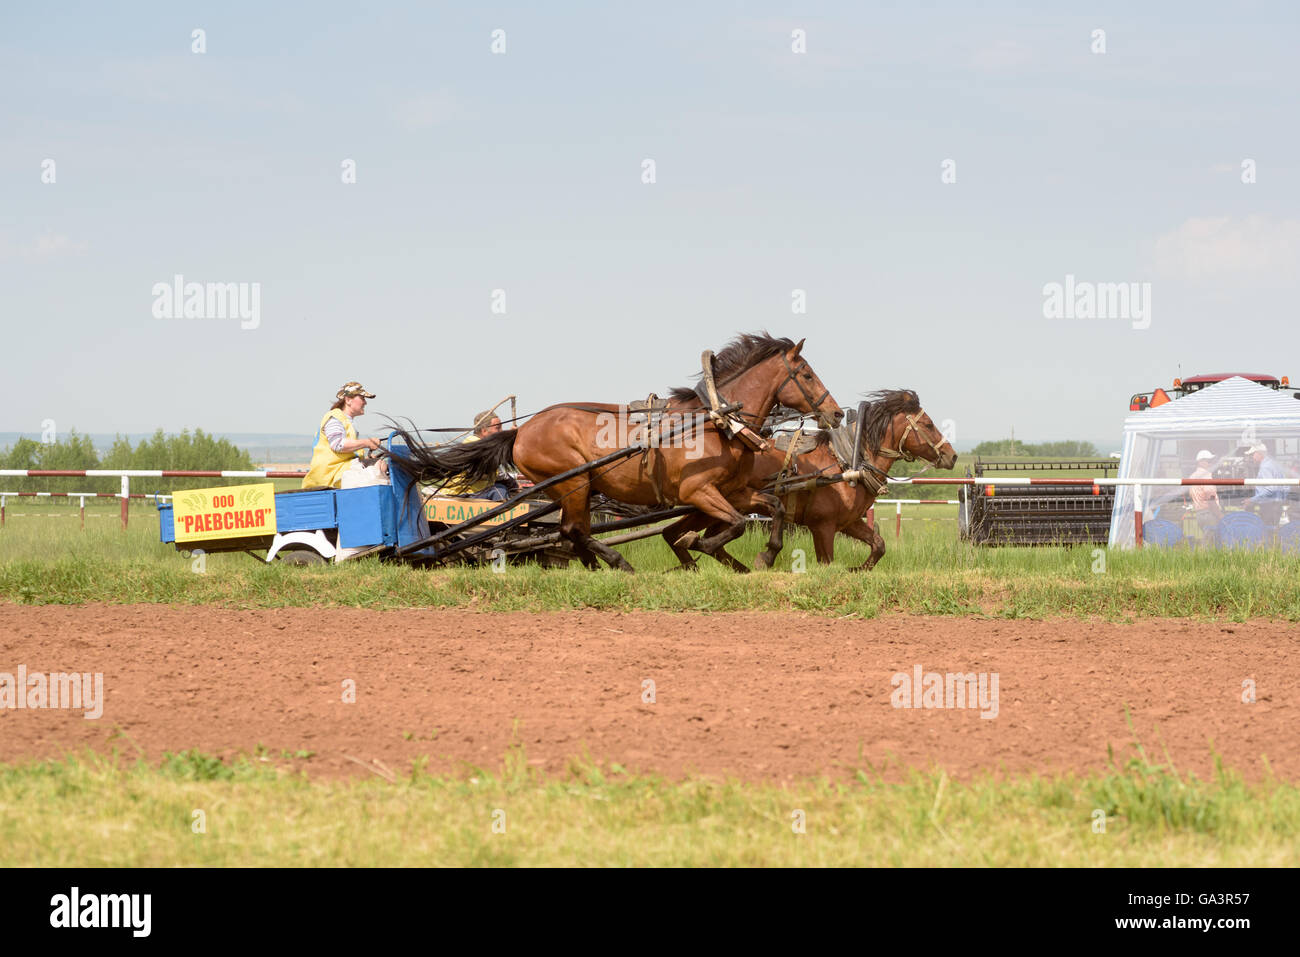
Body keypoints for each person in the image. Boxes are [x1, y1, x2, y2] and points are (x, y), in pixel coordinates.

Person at [302, 382, 390, 490]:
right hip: (329, 475)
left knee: (381, 465)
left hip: (339, 471)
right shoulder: (335, 418)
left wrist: (365, 458)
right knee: (378, 465)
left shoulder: (347, 422)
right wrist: (367, 443)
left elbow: (347, 452)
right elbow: (338, 445)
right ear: (348, 400)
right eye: (362, 398)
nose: (365, 402)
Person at [439, 409, 518, 501]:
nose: (501, 431)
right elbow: (497, 471)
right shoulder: (476, 446)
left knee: (501, 487)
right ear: (484, 431)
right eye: (498, 428)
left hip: (473, 490)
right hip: (462, 492)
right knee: (499, 490)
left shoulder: (480, 445)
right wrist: (512, 483)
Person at [1241, 442, 1288, 525]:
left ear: (1259, 454)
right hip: (1276, 504)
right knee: (1273, 529)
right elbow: (1285, 486)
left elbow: (1270, 490)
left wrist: (1251, 500)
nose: (1252, 457)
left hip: (1269, 505)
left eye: (1253, 454)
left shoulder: (1265, 467)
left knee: (1267, 530)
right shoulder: (1273, 464)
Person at [1188, 449, 1223, 534]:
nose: (1211, 463)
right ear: (1201, 462)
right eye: (1209, 461)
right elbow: (1209, 496)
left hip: (1199, 515)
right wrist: (1220, 515)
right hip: (1209, 514)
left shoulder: (1192, 476)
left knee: (1208, 539)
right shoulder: (1206, 475)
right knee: (1213, 541)